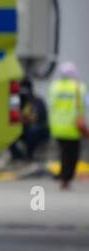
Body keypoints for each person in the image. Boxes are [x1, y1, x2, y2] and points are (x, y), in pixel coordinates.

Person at [48, 61, 87, 190]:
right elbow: (86, 103)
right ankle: (66, 178)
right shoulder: (78, 87)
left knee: (63, 153)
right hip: (73, 126)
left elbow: (51, 104)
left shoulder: (54, 87)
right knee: (72, 155)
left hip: (57, 127)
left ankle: (63, 177)